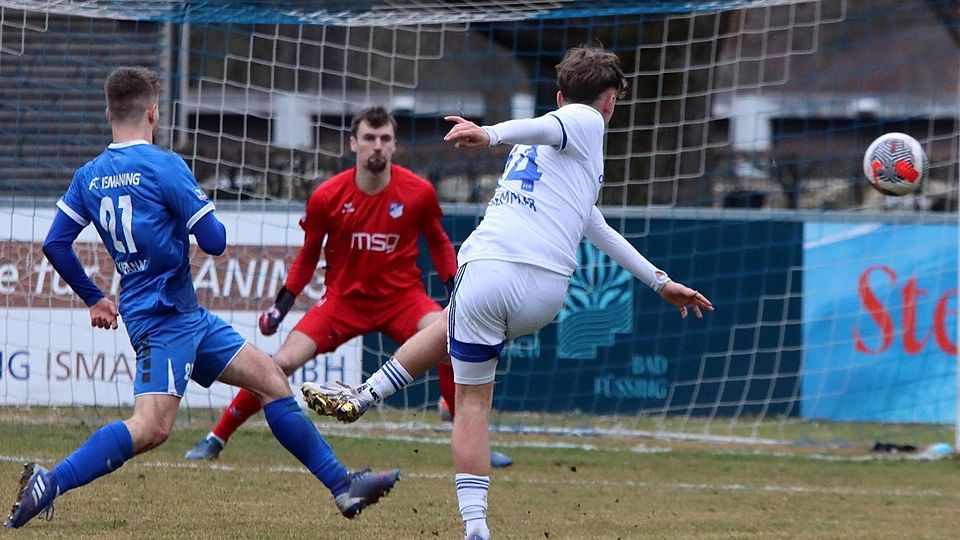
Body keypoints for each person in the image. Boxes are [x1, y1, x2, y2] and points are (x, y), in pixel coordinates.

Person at [301, 46, 714, 540]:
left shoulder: (559, 141)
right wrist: (661, 282)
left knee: (471, 403)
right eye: (613, 100)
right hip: (544, 291)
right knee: (448, 327)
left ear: (560, 94)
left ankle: (475, 527)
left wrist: (490, 133)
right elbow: (583, 199)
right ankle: (366, 395)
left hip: (489, 270)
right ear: (608, 101)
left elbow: (588, 213)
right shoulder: (586, 120)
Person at [4, 67, 399, 530]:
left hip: (181, 315)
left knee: (271, 378)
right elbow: (214, 240)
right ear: (154, 112)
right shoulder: (165, 165)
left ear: (108, 112)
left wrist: (95, 298)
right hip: (163, 321)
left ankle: (342, 485)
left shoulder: (89, 176)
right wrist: (191, 209)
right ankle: (48, 484)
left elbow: (55, 243)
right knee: (151, 427)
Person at [183, 106, 512, 468]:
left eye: (385, 139)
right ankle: (217, 436)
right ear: (353, 143)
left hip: (403, 300)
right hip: (342, 303)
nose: (377, 146)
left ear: (394, 146)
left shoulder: (418, 192)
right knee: (280, 362)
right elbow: (308, 256)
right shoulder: (327, 196)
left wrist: (454, 287)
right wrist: (282, 305)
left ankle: (466, 434)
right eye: (369, 138)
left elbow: (437, 242)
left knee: (452, 338)